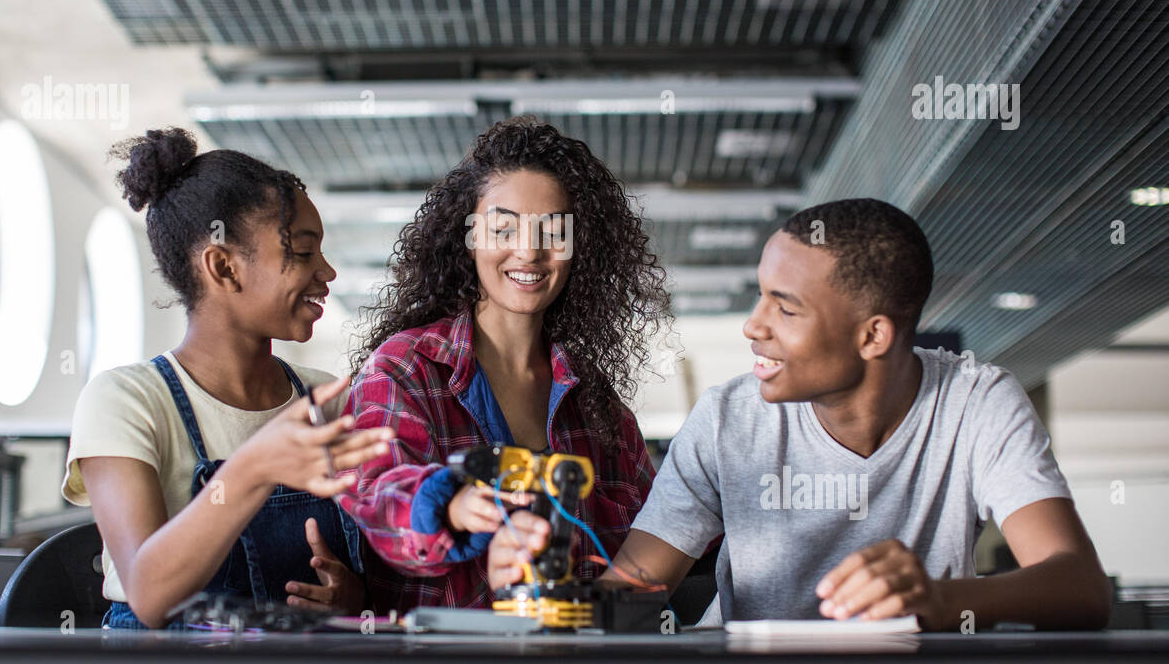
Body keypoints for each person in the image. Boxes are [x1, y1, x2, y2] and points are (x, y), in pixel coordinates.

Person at [489, 198, 1112, 630]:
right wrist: (546, 590)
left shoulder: (977, 402)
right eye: (760, 295)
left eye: (784, 309)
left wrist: (939, 598)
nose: (752, 326)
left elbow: (1080, 588)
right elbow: (637, 583)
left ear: (873, 336)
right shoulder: (727, 419)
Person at [337, 116, 672, 614]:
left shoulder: (594, 399)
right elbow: (375, 492)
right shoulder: (406, 368)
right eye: (504, 228)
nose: (530, 251)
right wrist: (449, 506)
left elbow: (659, 527)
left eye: (553, 231)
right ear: (468, 237)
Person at [61, 128, 392, 629]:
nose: (327, 272)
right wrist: (253, 467)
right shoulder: (125, 401)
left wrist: (355, 598)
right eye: (303, 253)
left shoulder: (325, 398)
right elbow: (150, 594)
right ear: (223, 267)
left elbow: (376, 562)